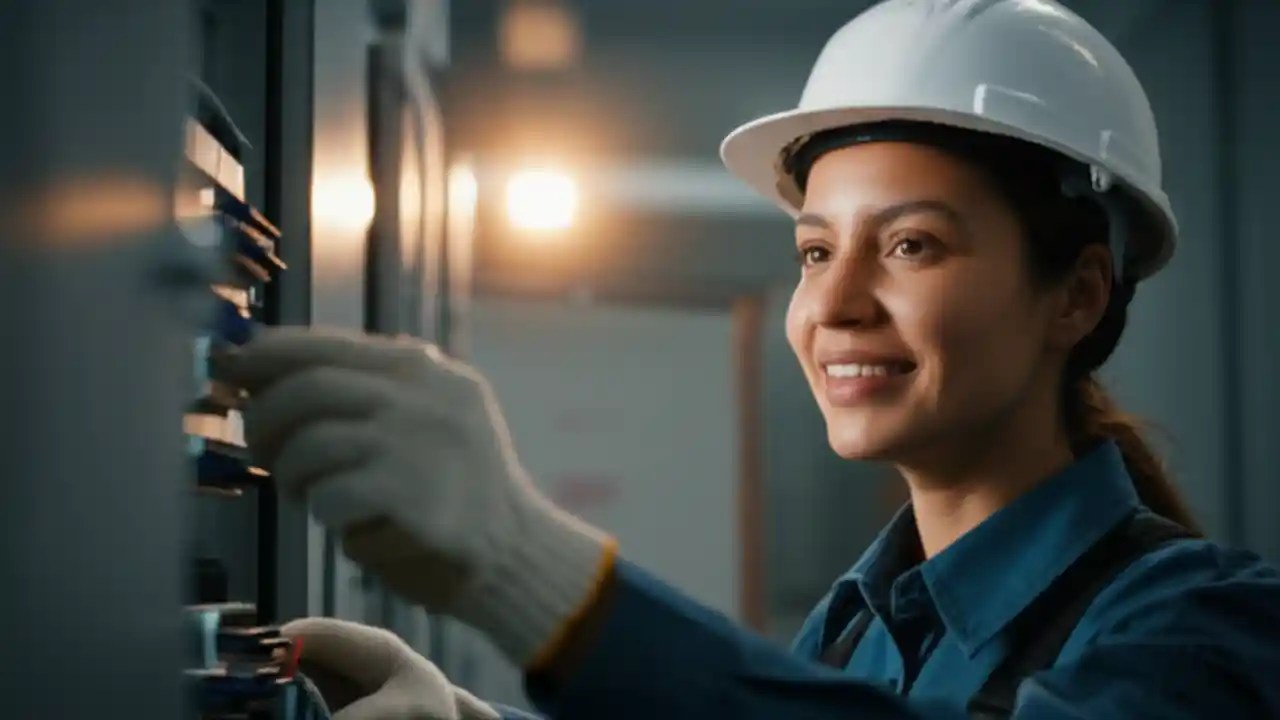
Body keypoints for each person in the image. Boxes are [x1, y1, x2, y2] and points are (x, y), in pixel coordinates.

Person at [216, 0, 1280, 718]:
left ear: (1076, 293)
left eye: (909, 245)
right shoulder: (855, 626)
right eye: (815, 251)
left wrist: (528, 569)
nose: (835, 305)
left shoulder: (1209, 630)